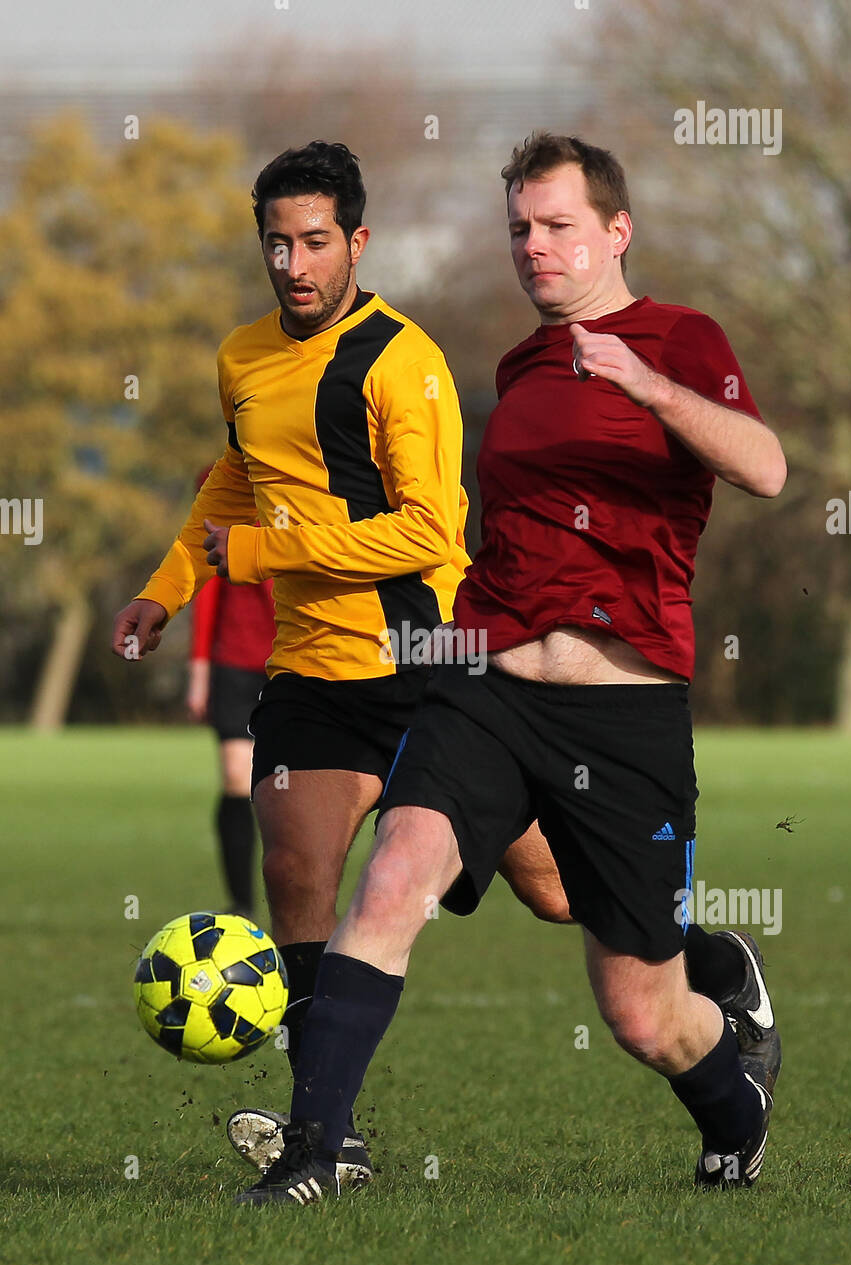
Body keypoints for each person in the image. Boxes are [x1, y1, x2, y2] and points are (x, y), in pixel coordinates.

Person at [233, 132, 787, 1207]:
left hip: (621, 716)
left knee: (640, 1013)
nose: (533, 248)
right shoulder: (521, 366)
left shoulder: (679, 336)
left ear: (614, 231)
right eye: (518, 230)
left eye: (556, 226)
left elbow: (764, 466)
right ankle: (317, 1148)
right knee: (391, 880)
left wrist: (650, 386)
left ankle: (733, 1102)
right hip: (484, 688)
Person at [111, 140, 573, 1189]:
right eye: (275, 242)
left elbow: (426, 530)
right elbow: (231, 488)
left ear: (356, 241)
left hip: (428, 661)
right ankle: (328, 1137)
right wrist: (165, 589)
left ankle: (713, 968)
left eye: (313, 240)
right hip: (312, 673)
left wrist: (269, 551)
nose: (292, 262)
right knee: (297, 872)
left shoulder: (399, 360)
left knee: (557, 891)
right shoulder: (241, 357)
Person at [186, 465, 276, 921]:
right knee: (237, 780)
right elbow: (205, 581)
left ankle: (296, 901)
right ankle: (241, 904)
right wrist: (199, 667)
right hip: (236, 661)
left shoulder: (317, 475)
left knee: (295, 789)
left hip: (298, 658)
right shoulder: (218, 480)